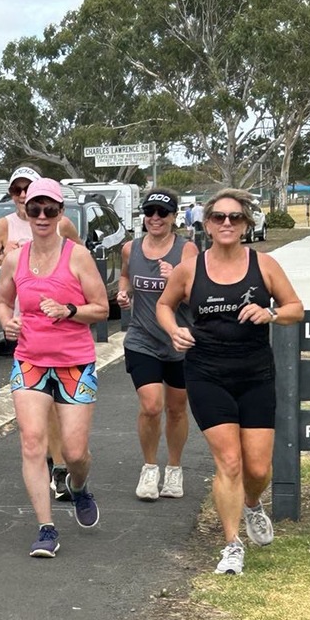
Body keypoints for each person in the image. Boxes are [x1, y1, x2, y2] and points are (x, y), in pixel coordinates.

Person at [156, 188, 304, 575]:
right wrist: (173, 330)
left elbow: (295, 308)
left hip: (255, 374)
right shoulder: (191, 269)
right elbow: (164, 305)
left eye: (234, 218)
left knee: (257, 469)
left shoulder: (265, 265)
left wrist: (270, 314)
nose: (226, 223)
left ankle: (253, 504)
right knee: (230, 461)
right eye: (218, 217)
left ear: (245, 225)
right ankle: (232, 544)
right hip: (206, 373)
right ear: (206, 224)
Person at [0, 178, 109, 558]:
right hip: (29, 362)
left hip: (75, 364)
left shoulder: (77, 256)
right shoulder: (16, 258)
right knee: (31, 442)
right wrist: (6, 321)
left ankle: (78, 487)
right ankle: (46, 528)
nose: (42, 216)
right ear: (25, 211)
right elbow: (0, 300)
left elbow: (103, 308)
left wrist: (69, 311)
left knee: (75, 453)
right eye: (35, 209)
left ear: (61, 213)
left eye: (50, 209)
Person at [0, 166, 83, 502]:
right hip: (23, 323)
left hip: (59, 323)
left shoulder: (61, 224)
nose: (25, 197)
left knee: (58, 405)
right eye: (17, 191)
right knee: (40, 409)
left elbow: (80, 265)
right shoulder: (3, 225)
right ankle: (52, 465)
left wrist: (70, 306)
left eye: (30, 189)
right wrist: (4, 253)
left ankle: (62, 464)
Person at [117, 187, 199, 501]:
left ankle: (174, 470)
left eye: (162, 213)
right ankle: (150, 468)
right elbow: (126, 276)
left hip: (179, 340)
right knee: (151, 406)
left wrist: (176, 279)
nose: (155, 218)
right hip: (142, 338)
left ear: (174, 217)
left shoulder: (186, 250)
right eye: (149, 212)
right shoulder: (131, 248)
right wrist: (124, 294)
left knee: (177, 409)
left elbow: (197, 296)